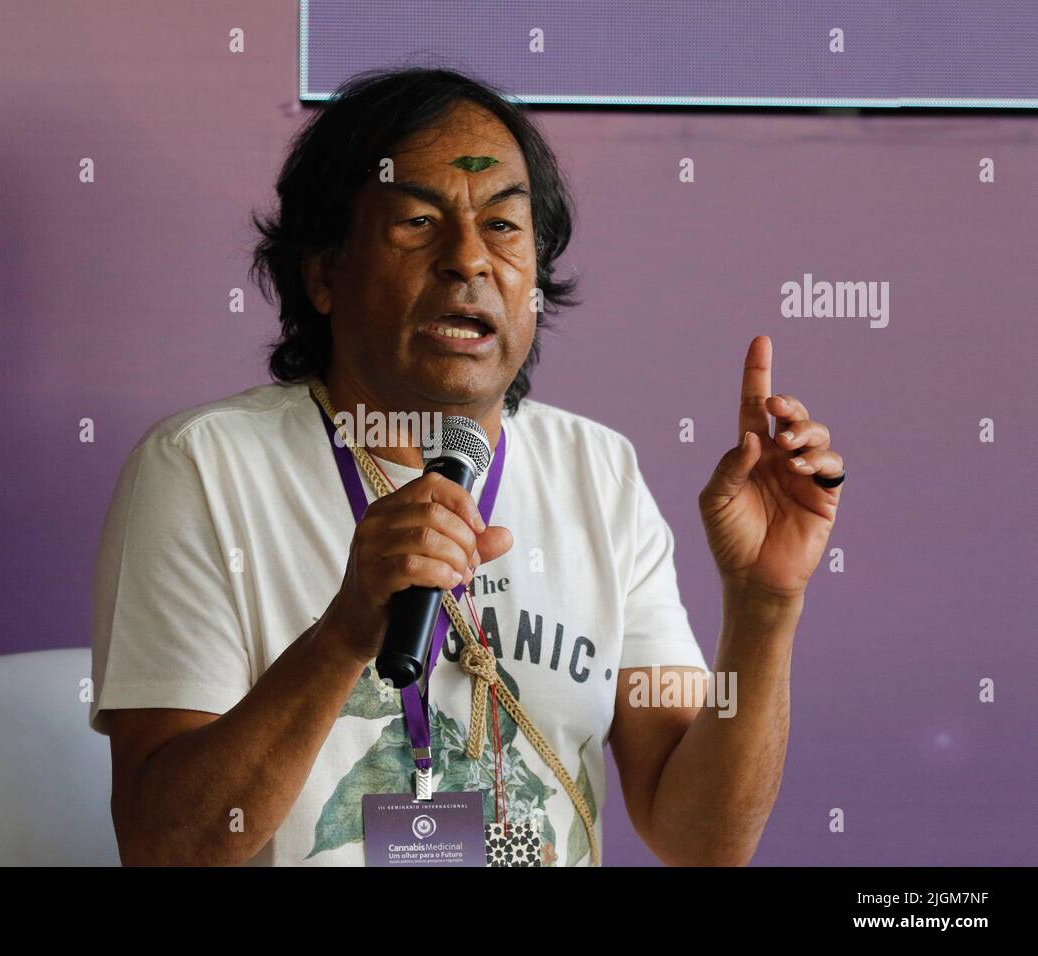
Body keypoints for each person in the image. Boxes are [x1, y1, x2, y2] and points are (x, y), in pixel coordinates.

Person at [88, 67, 845, 867]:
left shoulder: (597, 470)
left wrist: (764, 606)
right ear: (323, 273)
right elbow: (163, 849)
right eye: (418, 221)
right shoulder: (204, 469)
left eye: (504, 226)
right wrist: (344, 634)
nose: (468, 261)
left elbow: (702, 843)